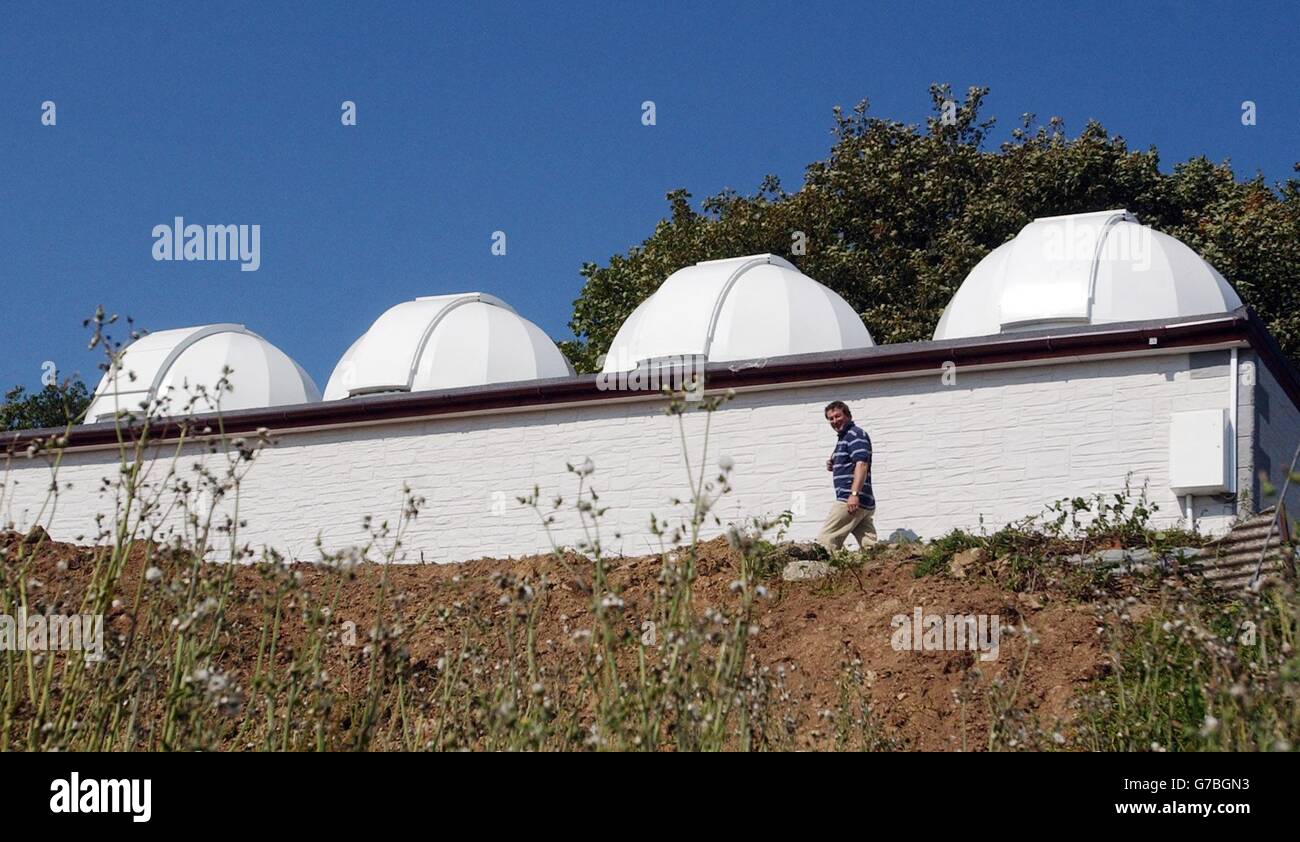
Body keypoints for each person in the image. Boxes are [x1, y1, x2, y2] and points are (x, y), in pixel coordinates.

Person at [817, 400, 876, 553]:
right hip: (865, 502)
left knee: (826, 541)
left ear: (848, 415)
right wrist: (834, 463)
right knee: (870, 548)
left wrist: (854, 494)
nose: (835, 421)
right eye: (831, 418)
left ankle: (827, 573)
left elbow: (862, 464)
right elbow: (852, 460)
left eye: (838, 416)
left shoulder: (855, 434)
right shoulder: (845, 438)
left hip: (849, 501)